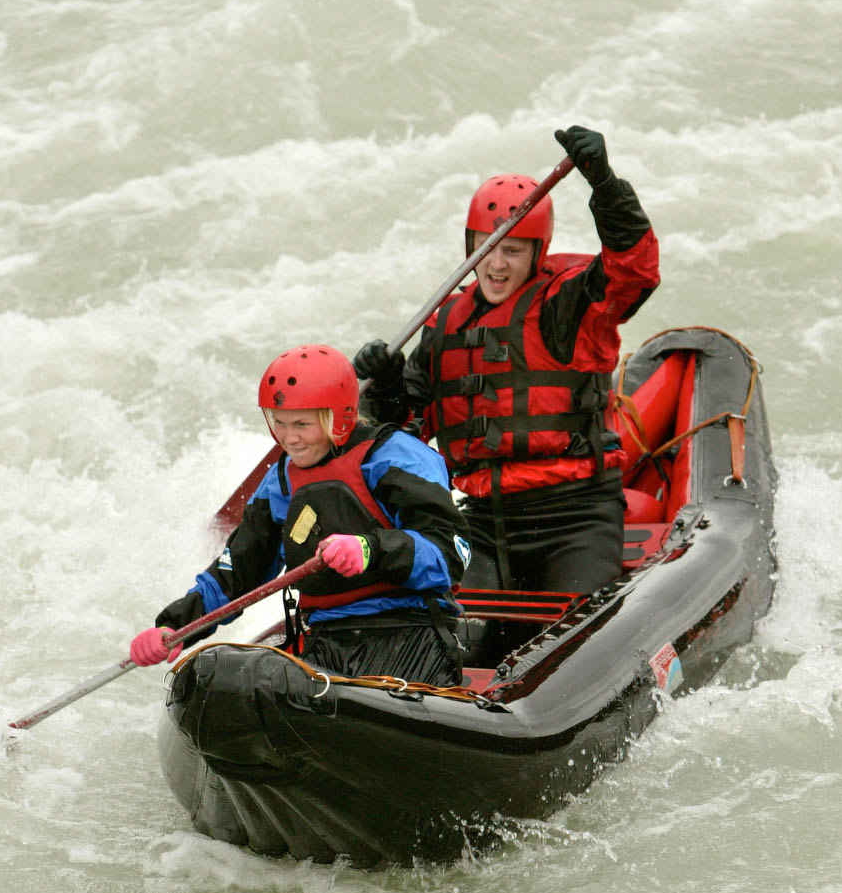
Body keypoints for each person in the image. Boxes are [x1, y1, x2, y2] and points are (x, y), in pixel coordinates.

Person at [353, 125, 659, 597]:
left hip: (574, 519)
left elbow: (634, 270)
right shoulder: (443, 326)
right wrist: (390, 384)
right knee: (459, 637)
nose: (496, 265)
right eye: (487, 247)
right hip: (481, 525)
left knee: (571, 633)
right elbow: (403, 431)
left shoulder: (568, 305)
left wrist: (606, 186)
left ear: (538, 252)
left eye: (512, 250)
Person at [129, 344, 471, 686]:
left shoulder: (394, 456)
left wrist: (370, 550)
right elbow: (237, 571)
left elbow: (449, 552)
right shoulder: (281, 481)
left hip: (409, 632)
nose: (289, 439)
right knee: (212, 676)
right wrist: (175, 626)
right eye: (279, 423)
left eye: (302, 425)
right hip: (326, 636)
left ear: (338, 416)